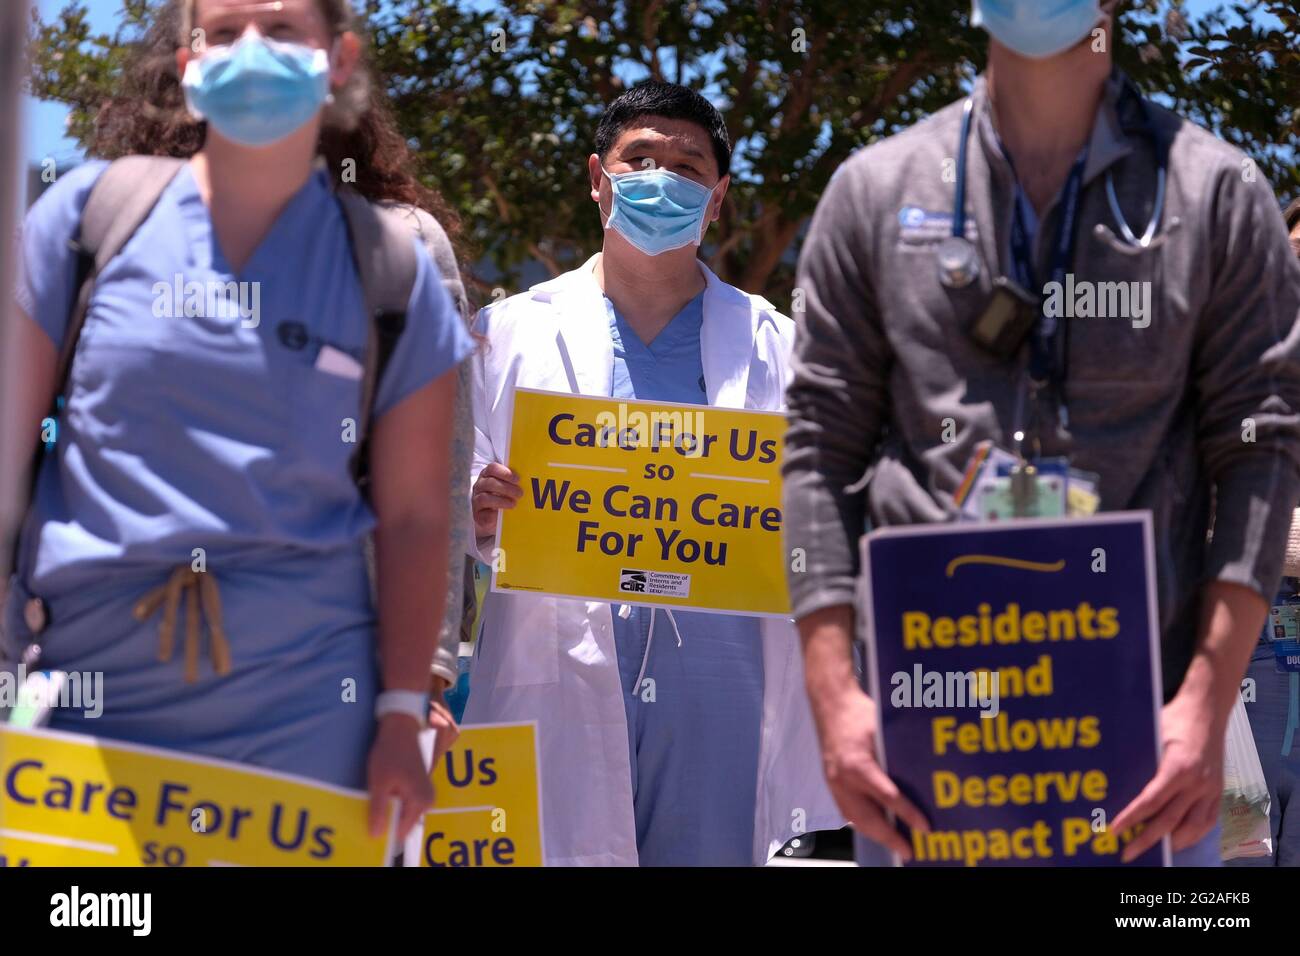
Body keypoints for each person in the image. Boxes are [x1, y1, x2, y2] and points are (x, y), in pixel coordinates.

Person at [782, 0, 1300, 867]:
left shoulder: (1218, 193)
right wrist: (835, 698)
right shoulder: (874, 192)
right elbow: (819, 454)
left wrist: (1206, 704)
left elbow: (1259, 450)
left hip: (1148, 740)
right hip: (927, 735)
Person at [3, 0, 474, 842]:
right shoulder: (81, 224)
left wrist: (403, 713)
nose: (251, 50)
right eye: (223, 32)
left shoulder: (396, 272)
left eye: (283, 30)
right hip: (80, 717)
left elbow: (414, 516)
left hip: (307, 729)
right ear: (188, 65)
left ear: (338, 62)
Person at [465, 80, 841, 866]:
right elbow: (443, 492)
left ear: (718, 197)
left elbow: (829, 503)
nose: (662, 180)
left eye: (688, 166)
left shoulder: (780, 345)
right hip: (558, 681)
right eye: (640, 159)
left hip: (722, 692)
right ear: (599, 179)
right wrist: (476, 506)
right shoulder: (507, 335)